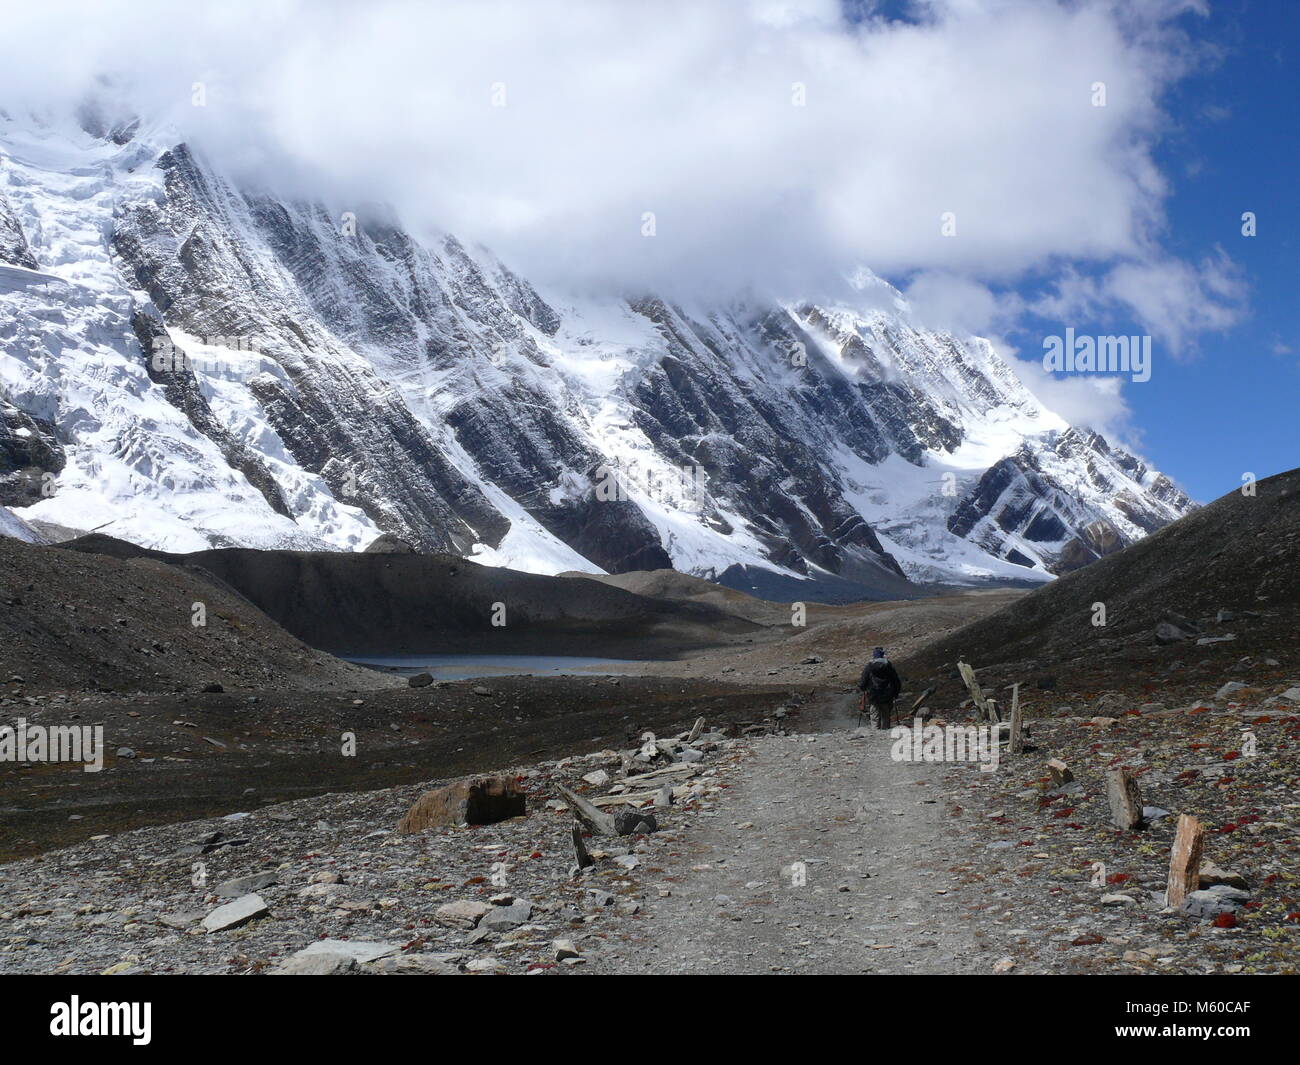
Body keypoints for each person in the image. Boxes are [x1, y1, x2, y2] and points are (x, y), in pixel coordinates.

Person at [858, 647, 902, 730]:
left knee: (874, 717)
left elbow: (863, 682)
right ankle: (885, 734)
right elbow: (896, 681)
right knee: (886, 716)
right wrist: (896, 693)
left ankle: (875, 734)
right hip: (887, 695)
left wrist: (863, 688)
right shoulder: (888, 666)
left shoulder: (870, 666)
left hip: (873, 695)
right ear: (882, 655)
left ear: (874, 655)